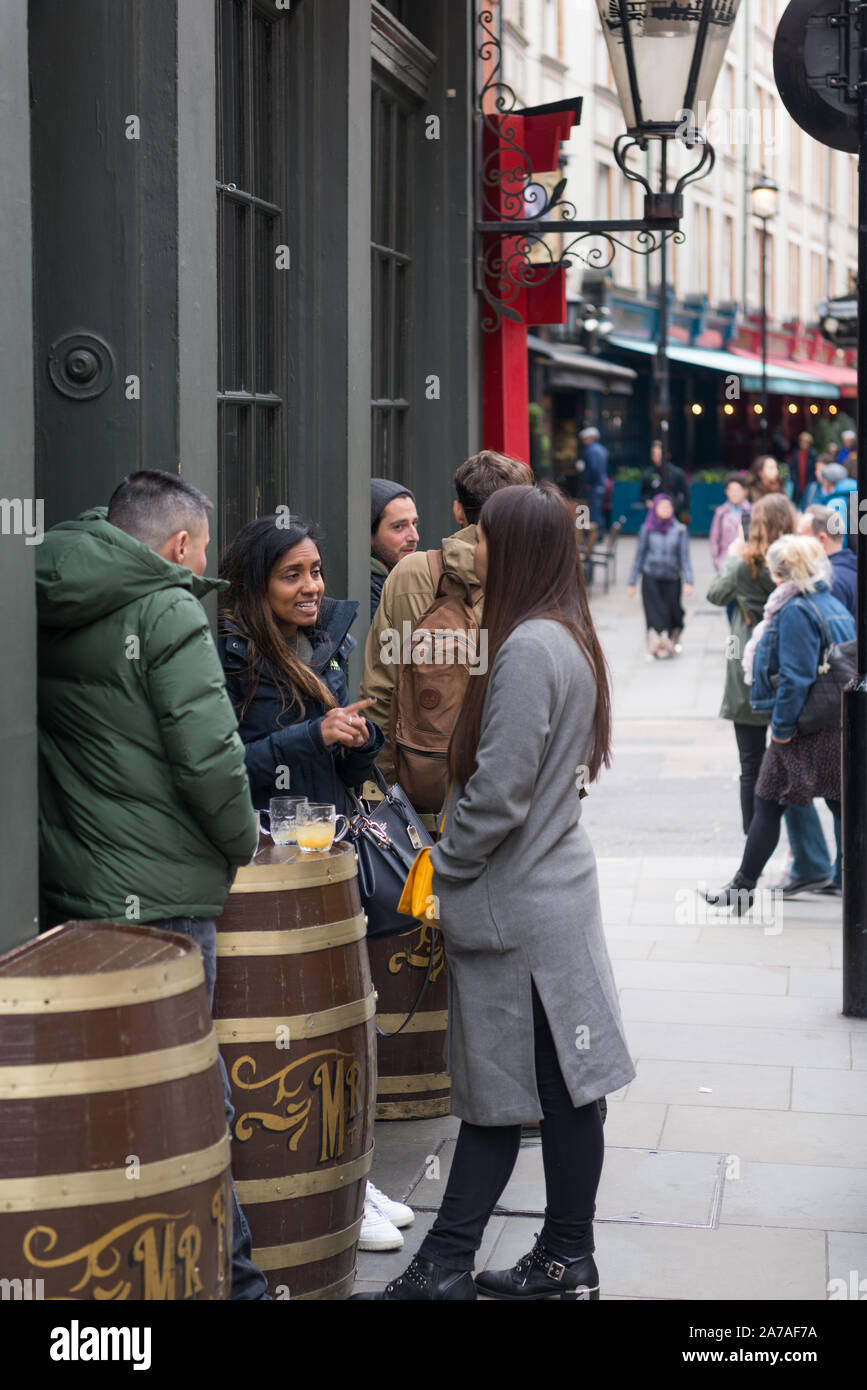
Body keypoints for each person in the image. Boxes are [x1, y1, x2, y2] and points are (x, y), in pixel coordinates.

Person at [351, 483, 635, 1301]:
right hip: (549, 901)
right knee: (554, 1092)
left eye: (486, 538)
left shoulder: (524, 649)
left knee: (509, 1097)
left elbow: (498, 792)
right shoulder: (565, 636)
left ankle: (455, 1265)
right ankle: (554, 1256)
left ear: (517, 550)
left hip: (519, 912)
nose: (470, 549)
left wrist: (439, 861)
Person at [36, 468, 267, 1300]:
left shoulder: (48, 588)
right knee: (191, 1101)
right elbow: (210, 760)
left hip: (74, 889)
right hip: (165, 895)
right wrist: (241, 844)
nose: (201, 559)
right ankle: (232, 1283)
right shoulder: (166, 606)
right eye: (202, 546)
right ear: (178, 545)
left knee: (101, 1099)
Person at [217, 513, 413, 1251]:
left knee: (344, 1016)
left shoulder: (322, 644)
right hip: (267, 872)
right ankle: (327, 1189)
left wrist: (362, 742)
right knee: (297, 1034)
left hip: (328, 858)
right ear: (258, 583)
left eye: (318, 572)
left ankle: (349, 1179)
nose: (312, 587)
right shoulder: (232, 655)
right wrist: (312, 734)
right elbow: (227, 762)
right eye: (292, 574)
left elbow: (339, 766)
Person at [703, 534, 855, 912]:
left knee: (768, 801)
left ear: (777, 573)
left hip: (804, 729)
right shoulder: (829, 603)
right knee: (840, 805)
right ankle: (742, 889)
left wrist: (782, 730)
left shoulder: (796, 612)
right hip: (832, 723)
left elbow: (795, 678)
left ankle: (741, 890)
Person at [361, 450, 531, 783]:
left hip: (422, 778)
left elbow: (381, 690)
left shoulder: (409, 574)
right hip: (505, 783)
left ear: (457, 510)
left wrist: (385, 787)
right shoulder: (534, 578)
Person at [706, 494, 797, 835]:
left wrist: (732, 556)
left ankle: (753, 833)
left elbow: (715, 595)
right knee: (791, 759)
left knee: (751, 763)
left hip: (748, 656)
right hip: (789, 657)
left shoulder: (744, 563)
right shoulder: (797, 560)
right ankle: (795, 843)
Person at [627, 494, 694, 659]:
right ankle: (654, 646)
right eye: (662, 507)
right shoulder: (647, 529)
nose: (666, 510)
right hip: (651, 577)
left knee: (673, 613)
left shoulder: (679, 530)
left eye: (669, 507)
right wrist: (632, 581)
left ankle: (670, 640)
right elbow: (639, 556)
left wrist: (689, 581)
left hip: (672, 578)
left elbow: (684, 557)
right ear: (655, 509)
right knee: (654, 613)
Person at [370, 479, 419, 619]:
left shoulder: (412, 579)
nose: (414, 537)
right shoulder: (367, 593)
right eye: (399, 527)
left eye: (414, 523)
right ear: (369, 534)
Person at [576, 425, 608, 560]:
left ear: (590, 439)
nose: (583, 441)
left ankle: (594, 539)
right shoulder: (601, 449)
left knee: (593, 514)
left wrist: (587, 480)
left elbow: (593, 469)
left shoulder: (590, 450)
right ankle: (598, 536)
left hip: (594, 486)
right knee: (597, 511)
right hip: (600, 485)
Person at [709, 472, 751, 571]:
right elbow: (714, 539)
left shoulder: (752, 511)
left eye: (737, 490)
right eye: (731, 490)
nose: (734, 493)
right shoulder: (721, 513)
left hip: (746, 562)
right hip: (725, 561)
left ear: (745, 491)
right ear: (726, 492)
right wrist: (717, 561)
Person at [640, 440, 689, 519]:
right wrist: (647, 501)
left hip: (675, 514)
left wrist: (675, 508)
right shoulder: (648, 474)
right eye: (655, 455)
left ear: (666, 455)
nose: (657, 458)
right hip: (655, 515)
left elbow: (686, 496)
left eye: (659, 455)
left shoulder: (677, 473)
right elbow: (643, 493)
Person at [788, 431, 817, 509]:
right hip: (798, 482)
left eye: (806, 442)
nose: (804, 444)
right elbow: (792, 467)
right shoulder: (796, 453)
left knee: (808, 501)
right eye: (802, 442)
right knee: (797, 502)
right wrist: (793, 478)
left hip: (809, 482)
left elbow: (814, 469)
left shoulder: (813, 454)